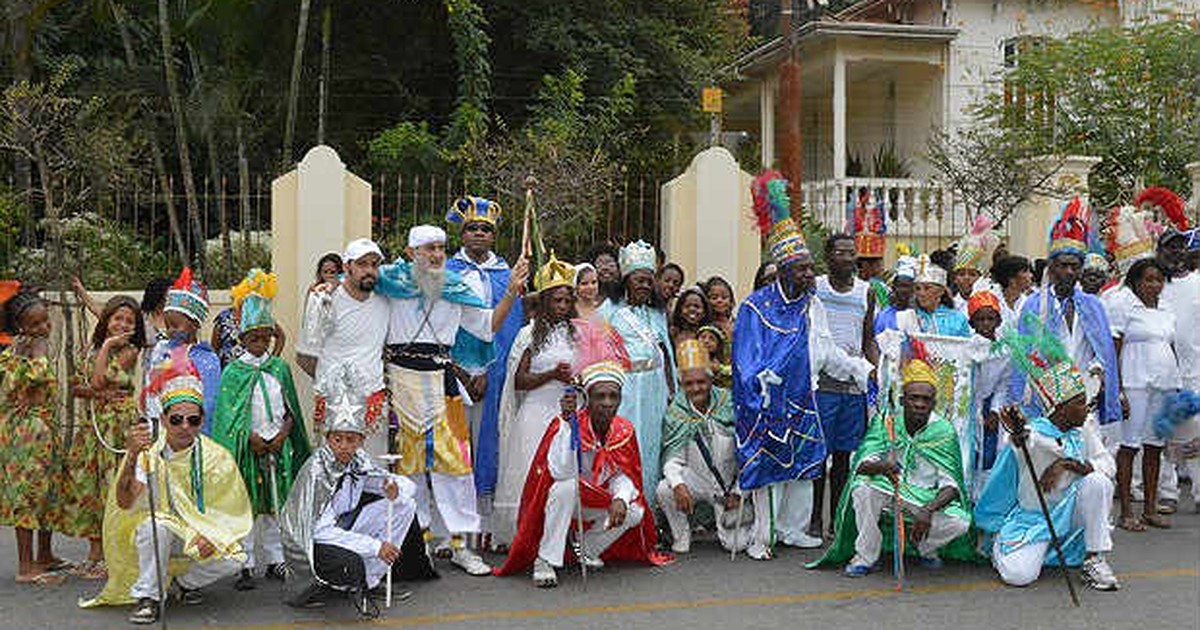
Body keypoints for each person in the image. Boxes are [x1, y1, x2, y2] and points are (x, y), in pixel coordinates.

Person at [735, 171, 873, 560]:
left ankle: (794, 530)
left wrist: (864, 371)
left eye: (811, 268)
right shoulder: (755, 307)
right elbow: (746, 362)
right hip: (768, 403)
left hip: (806, 399)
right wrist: (766, 386)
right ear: (782, 271)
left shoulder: (812, 305)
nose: (811, 275)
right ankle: (762, 537)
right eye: (803, 270)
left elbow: (828, 351)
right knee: (768, 472)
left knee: (803, 468)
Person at [375, 224, 527, 576]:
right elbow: (357, 283)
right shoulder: (390, 282)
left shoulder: (460, 287)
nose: (437, 254)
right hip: (400, 380)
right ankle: (417, 547)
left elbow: (487, 328)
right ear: (411, 253)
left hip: (442, 380)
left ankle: (463, 547)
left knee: (457, 467)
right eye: (429, 248)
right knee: (407, 468)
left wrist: (511, 293)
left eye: (441, 248)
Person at [81, 365, 251, 625]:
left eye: (193, 420)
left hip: (195, 534)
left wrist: (214, 535)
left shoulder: (217, 457)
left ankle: (184, 583)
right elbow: (125, 501)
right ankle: (149, 597)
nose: (185, 426)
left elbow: (230, 511)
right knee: (156, 526)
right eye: (176, 419)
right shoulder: (149, 453)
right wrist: (132, 456)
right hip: (156, 533)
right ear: (163, 420)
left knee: (236, 557)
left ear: (201, 421)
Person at [494, 358, 667, 587]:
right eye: (600, 396)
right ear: (587, 398)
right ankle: (545, 560)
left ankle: (586, 547)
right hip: (567, 499)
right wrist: (567, 425)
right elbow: (559, 471)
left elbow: (621, 475)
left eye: (613, 396)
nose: (607, 403)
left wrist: (620, 498)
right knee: (564, 488)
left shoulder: (624, 429)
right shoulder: (567, 424)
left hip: (597, 500)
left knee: (634, 511)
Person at [281, 363, 435, 615]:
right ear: (327, 437)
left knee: (404, 504)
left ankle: (370, 580)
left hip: (343, 526)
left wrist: (393, 487)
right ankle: (341, 580)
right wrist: (375, 547)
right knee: (348, 560)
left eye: (350, 439)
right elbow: (320, 532)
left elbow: (395, 484)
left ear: (361, 440)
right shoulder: (318, 470)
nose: (343, 446)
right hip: (312, 542)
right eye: (336, 439)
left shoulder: (358, 459)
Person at [976, 322, 1119, 591]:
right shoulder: (1035, 434)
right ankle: (1001, 545)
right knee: (1019, 576)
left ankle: (1094, 558)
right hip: (1036, 518)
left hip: (1072, 512)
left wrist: (1069, 465)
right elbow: (1024, 441)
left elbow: (1107, 464)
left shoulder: (1084, 428)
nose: (1087, 407)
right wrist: (1017, 429)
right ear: (1060, 408)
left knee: (1099, 482)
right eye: (1079, 402)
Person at [813, 349, 973, 576]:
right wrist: (883, 466)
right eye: (913, 398)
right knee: (863, 488)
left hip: (925, 497)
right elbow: (861, 463)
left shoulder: (943, 431)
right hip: (890, 488)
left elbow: (953, 484)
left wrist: (928, 510)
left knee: (960, 523)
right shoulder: (886, 421)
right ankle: (867, 555)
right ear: (901, 400)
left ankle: (923, 547)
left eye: (925, 400)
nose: (919, 404)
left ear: (934, 403)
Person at [211, 269, 311, 590]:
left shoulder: (278, 368)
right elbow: (229, 417)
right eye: (253, 338)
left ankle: (275, 559)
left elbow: (290, 408)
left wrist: (282, 435)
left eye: (265, 337)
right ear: (241, 340)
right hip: (249, 447)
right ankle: (244, 563)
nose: (259, 343)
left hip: (277, 444)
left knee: (274, 507)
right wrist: (249, 438)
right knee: (249, 507)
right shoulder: (233, 372)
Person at [1009, 198, 1122, 429]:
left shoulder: (1093, 305)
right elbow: (1024, 355)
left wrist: (1097, 371)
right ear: (1051, 267)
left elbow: (1104, 350)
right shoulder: (1033, 305)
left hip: (1085, 395)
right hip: (1047, 396)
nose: (1069, 271)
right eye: (1063, 265)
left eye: (1075, 266)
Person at [444, 196, 525, 512]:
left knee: (491, 442)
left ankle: (486, 522)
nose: (479, 234)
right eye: (472, 228)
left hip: (494, 375)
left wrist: (490, 373)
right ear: (461, 234)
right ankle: (449, 526)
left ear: (494, 236)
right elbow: (439, 326)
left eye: (485, 229)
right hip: (452, 374)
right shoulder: (447, 272)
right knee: (453, 447)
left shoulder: (508, 276)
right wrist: (460, 373)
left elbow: (510, 331)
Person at [493, 254, 578, 546]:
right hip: (536, 413)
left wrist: (577, 382)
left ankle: (563, 536)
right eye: (557, 300)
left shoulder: (578, 334)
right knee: (531, 474)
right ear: (543, 301)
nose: (563, 306)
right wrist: (553, 374)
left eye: (567, 300)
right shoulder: (529, 334)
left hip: (567, 414)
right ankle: (527, 537)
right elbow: (519, 381)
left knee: (566, 475)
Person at [61, 295, 147, 581]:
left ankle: (116, 555)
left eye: (129, 321)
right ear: (107, 319)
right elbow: (76, 388)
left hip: (117, 428)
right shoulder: (91, 349)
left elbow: (97, 381)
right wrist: (97, 391)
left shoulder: (129, 351)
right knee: (91, 490)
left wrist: (109, 347)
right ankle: (94, 554)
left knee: (115, 487)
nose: (121, 324)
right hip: (92, 426)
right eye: (117, 318)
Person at [296, 239, 391, 455]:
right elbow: (304, 356)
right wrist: (329, 382)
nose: (369, 271)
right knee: (333, 475)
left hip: (372, 401)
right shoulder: (323, 300)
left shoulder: (385, 302)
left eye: (374, 265)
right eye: (362, 264)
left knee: (372, 472)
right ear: (347, 267)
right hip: (334, 405)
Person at [812, 232, 878, 538]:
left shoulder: (867, 292)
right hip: (821, 384)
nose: (848, 258)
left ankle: (835, 520)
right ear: (828, 257)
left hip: (852, 387)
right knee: (818, 455)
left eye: (852, 253)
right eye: (840, 253)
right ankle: (813, 519)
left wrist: (878, 369)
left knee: (843, 456)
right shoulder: (816, 287)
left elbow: (868, 340)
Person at [599, 240, 675, 502]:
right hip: (626, 387)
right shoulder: (608, 311)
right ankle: (624, 505)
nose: (644, 285)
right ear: (626, 280)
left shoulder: (657, 313)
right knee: (627, 444)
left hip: (655, 387)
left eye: (648, 280)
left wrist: (672, 390)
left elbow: (666, 356)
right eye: (638, 280)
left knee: (653, 447)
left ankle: (651, 514)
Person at [657, 340, 750, 554]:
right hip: (696, 481)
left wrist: (738, 492)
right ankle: (681, 536)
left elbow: (747, 453)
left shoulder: (729, 403)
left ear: (710, 379)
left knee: (736, 545)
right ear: (682, 384)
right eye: (689, 384)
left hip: (728, 484)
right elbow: (673, 459)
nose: (696, 388)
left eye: (701, 382)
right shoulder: (676, 413)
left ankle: (750, 522)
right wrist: (679, 485)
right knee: (664, 489)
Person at [0, 286, 67, 585]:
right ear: (20, 328)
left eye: (45, 321)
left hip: (44, 431)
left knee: (48, 493)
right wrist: (38, 354)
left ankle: (45, 555)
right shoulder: (17, 351)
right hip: (25, 437)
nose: (44, 328)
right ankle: (27, 567)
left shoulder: (31, 347)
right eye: (36, 324)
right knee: (28, 496)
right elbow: (25, 384)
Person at [1111, 259, 1178, 531]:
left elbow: (1169, 347)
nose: (1154, 285)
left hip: (1163, 385)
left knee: (1155, 447)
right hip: (1134, 384)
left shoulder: (1166, 309)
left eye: (1159, 280)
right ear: (1136, 281)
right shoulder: (1124, 305)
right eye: (1148, 279)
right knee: (1129, 446)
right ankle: (1127, 511)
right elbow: (1113, 347)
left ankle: (1150, 509)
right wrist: (1117, 390)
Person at [143, 268, 221, 434]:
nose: (171, 330)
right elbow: (152, 389)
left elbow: (210, 400)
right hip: (165, 427)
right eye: (168, 325)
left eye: (176, 325)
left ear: (195, 324)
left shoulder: (207, 358)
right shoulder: (162, 352)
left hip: (193, 429)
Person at [1158, 228, 1200, 514]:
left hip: (1194, 372)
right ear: (1160, 251)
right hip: (1160, 372)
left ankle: (1198, 492)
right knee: (1163, 432)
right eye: (1169, 247)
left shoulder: (1197, 283)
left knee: (1196, 433)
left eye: (1180, 247)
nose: (1176, 252)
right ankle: (1167, 492)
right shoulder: (1153, 283)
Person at [966, 291, 1010, 499]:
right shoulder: (967, 346)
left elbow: (1003, 384)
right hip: (969, 406)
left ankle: (984, 499)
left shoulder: (1005, 348)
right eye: (980, 319)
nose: (985, 324)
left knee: (990, 453)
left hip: (990, 404)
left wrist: (994, 411)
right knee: (970, 452)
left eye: (990, 319)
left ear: (998, 321)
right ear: (972, 322)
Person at [896, 255, 971, 337]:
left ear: (941, 291)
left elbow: (965, 348)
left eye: (927, 288)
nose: (922, 293)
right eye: (918, 288)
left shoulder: (958, 319)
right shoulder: (906, 317)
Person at [951, 215, 1001, 312]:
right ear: (955, 279)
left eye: (972, 274)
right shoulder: (950, 306)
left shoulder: (994, 304)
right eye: (961, 274)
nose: (966, 278)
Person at [872, 246, 918, 334]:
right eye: (900, 286)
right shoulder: (883, 316)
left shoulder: (920, 315)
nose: (903, 290)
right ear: (893, 287)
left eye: (907, 286)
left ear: (914, 288)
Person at [989, 255, 1033, 329]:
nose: (1031, 275)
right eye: (1025, 271)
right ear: (1011, 278)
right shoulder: (990, 300)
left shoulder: (1028, 302)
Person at [703, 276, 736, 352]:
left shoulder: (737, 323)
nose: (719, 300)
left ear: (731, 301)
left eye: (724, 297)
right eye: (714, 298)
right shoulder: (706, 326)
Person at [697, 324, 731, 389]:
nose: (706, 341)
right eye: (703, 337)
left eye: (712, 339)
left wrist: (720, 369)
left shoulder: (721, 364)